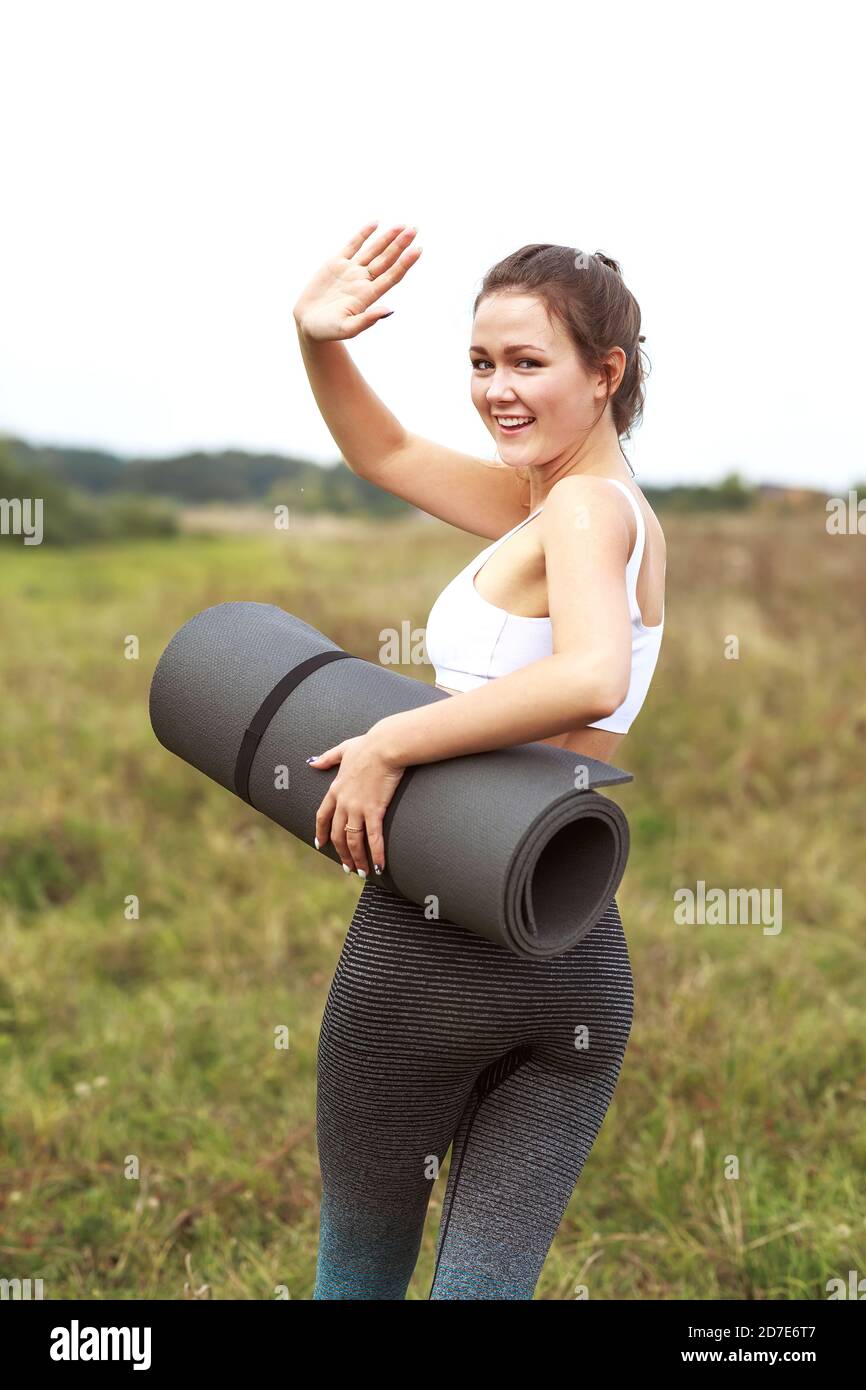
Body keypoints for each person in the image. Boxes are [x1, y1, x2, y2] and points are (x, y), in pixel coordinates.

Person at [292, 223, 666, 1299]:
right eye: (479, 361)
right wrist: (316, 338)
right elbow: (386, 454)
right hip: (573, 952)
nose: (495, 388)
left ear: (605, 375)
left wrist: (388, 740)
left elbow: (591, 674)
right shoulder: (575, 508)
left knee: (357, 1277)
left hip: (431, 951)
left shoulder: (582, 511)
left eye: (526, 362)